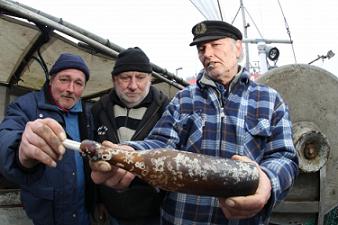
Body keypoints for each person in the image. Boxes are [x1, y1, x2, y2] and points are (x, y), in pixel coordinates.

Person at [90, 20, 299, 225]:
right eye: (201, 48)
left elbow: (284, 156)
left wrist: (267, 181)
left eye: (215, 45)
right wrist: (129, 151)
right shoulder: (183, 99)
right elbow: (161, 143)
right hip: (181, 218)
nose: (207, 53)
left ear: (238, 48)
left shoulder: (270, 100)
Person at [0, 53, 95, 225]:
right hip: (45, 216)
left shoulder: (88, 114)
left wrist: (97, 201)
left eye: (78, 83)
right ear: (51, 80)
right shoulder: (25, 105)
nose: (70, 89)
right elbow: (6, 136)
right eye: (64, 79)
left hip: (83, 214)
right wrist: (19, 149)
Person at [91, 47, 169, 225]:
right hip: (112, 211)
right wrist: (98, 201)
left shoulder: (167, 109)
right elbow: (91, 161)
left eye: (140, 77)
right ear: (114, 79)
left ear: (150, 78)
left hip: (154, 213)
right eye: (125, 78)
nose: (133, 85)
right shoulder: (98, 109)